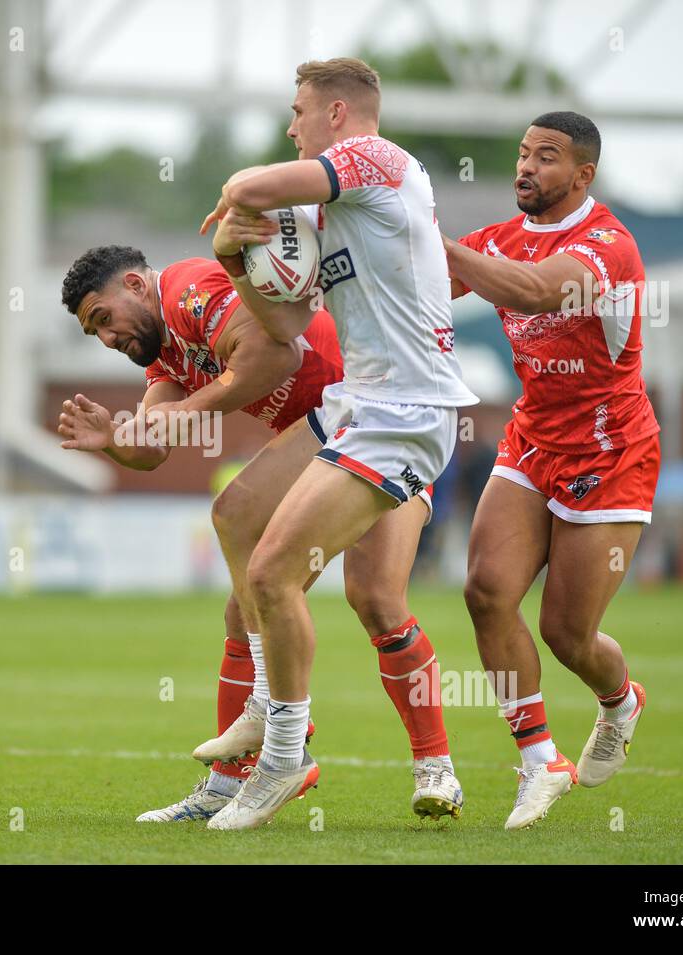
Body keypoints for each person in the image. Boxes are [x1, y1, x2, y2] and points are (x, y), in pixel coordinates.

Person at [59, 246, 464, 823]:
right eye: (92, 332)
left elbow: (277, 358)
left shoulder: (188, 291)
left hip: (374, 420)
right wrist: (115, 440)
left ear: (135, 285)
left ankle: (433, 768)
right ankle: (228, 783)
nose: (105, 339)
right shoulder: (164, 357)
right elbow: (153, 446)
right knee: (245, 603)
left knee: (373, 598)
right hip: (327, 440)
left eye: (104, 319)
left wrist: (191, 407)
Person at [198, 57, 478, 830]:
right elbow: (285, 323)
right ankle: (273, 716)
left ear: (338, 114)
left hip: (408, 411)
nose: (290, 126)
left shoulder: (377, 159)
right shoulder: (332, 208)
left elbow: (253, 187)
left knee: (299, 577)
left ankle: (288, 751)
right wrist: (231, 257)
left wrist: (232, 202)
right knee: (243, 523)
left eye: (297, 111)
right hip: (361, 405)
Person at [444, 112, 657, 829]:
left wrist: (429, 236)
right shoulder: (500, 239)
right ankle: (540, 760)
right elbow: (421, 283)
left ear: (583, 176)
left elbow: (536, 290)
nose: (526, 167)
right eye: (522, 154)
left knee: (567, 634)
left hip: (611, 449)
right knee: (485, 590)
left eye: (546, 157)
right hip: (533, 437)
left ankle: (620, 698)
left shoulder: (608, 245)